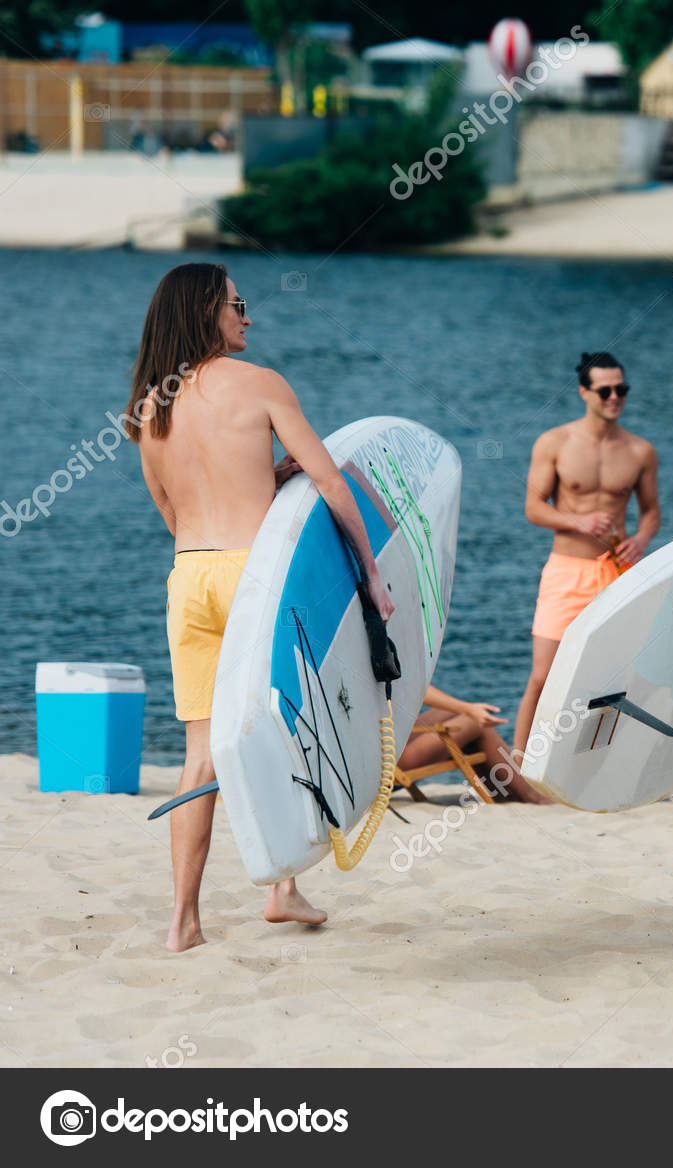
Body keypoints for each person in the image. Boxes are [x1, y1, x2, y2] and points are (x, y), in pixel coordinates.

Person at [128, 262, 394, 953]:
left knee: (200, 757)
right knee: (290, 729)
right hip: (258, 577)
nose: (248, 316)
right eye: (237, 304)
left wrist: (254, 485)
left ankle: (183, 921)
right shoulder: (262, 386)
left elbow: (172, 512)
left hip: (189, 581)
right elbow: (331, 481)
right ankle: (282, 889)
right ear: (205, 312)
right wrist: (370, 572)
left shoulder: (150, 408)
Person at [513, 352, 659, 758]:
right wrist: (577, 522)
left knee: (613, 676)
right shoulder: (555, 442)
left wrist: (643, 539)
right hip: (566, 572)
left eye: (621, 389)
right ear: (584, 393)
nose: (615, 397)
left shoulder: (639, 451)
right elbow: (533, 507)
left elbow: (651, 511)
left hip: (616, 572)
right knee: (543, 675)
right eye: (605, 390)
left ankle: (596, 761)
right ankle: (518, 764)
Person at [401, 686, 549, 804]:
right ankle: (530, 796)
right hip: (394, 759)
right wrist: (468, 709)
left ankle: (505, 792)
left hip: (389, 744)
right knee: (476, 724)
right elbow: (413, 687)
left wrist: (466, 708)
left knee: (447, 710)